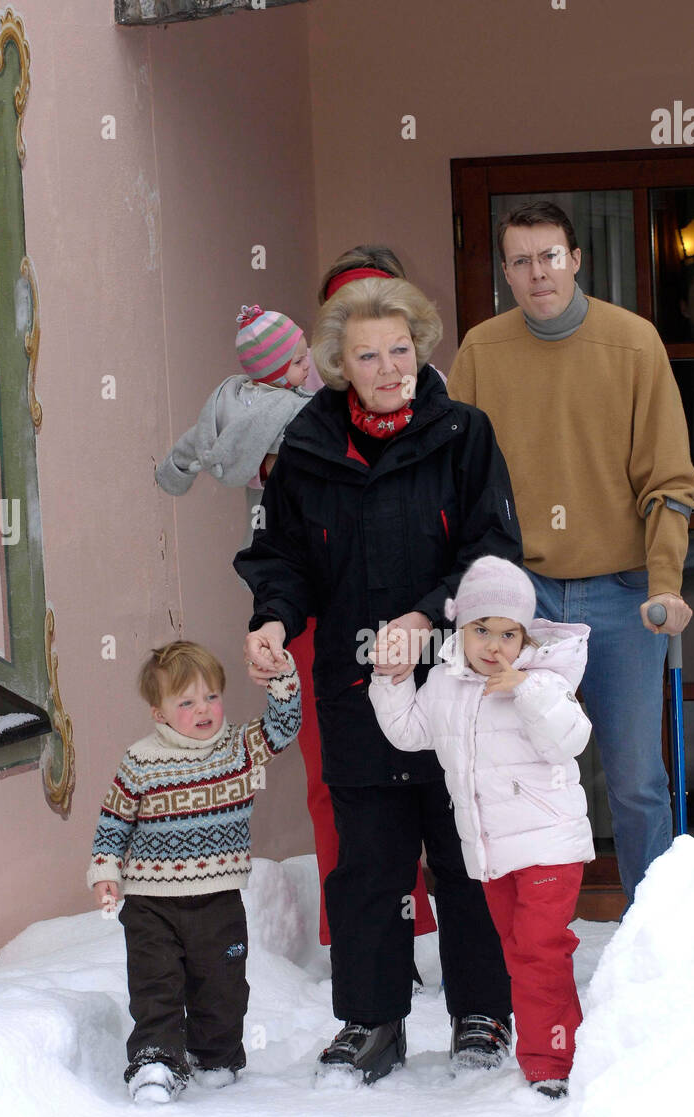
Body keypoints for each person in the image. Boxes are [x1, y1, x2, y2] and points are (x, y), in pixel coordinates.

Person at [234, 275, 523, 1084]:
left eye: (400, 348)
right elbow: (282, 560)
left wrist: (428, 616)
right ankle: (371, 1020)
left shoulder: (462, 433)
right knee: (366, 861)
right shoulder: (308, 447)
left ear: (420, 347)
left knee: (463, 850)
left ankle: (480, 1013)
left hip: (454, 685)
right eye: (369, 355)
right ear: (338, 365)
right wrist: (271, 623)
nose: (390, 367)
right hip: (354, 689)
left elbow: (493, 550)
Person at [448, 200, 694, 910]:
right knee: (518, 775)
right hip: (521, 600)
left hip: (623, 596)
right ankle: (527, 940)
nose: (538, 274)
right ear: (504, 272)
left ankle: (651, 934)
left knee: (634, 780)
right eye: (521, 261)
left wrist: (664, 579)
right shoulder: (480, 350)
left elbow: (669, 481)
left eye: (549, 256)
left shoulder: (632, 342)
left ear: (576, 259)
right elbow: (456, 481)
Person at [370, 557, 593, 1098]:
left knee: (541, 950)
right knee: (518, 953)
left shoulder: (544, 679)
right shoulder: (447, 684)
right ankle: (560, 1049)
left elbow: (570, 740)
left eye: (508, 633)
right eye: (481, 630)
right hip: (491, 854)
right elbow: (408, 732)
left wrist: (528, 689)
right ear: (460, 630)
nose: (494, 645)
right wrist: (388, 677)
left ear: (525, 636)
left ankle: (552, 1066)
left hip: (548, 846)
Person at [287, 245, 439, 951]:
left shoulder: (447, 418)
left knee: (433, 784)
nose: (379, 361)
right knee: (340, 787)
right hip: (325, 623)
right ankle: (362, 937)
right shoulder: (304, 426)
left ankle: (454, 949)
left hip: (426, 626)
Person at [87, 640, 301, 1103]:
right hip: (150, 904)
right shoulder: (140, 760)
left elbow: (284, 727)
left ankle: (215, 1057)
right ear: (159, 713)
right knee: (155, 984)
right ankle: (155, 1062)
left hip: (218, 900)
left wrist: (282, 677)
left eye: (211, 696)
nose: (203, 709)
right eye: (186, 702)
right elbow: (114, 819)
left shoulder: (239, 748)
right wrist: (105, 869)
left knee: (222, 986)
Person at [156, 306, 313, 496]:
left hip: (231, 467)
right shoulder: (288, 405)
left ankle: (168, 479)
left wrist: (171, 476)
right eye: (298, 361)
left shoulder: (232, 395)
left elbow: (196, 438)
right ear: (272, 372)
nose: (307, 365)